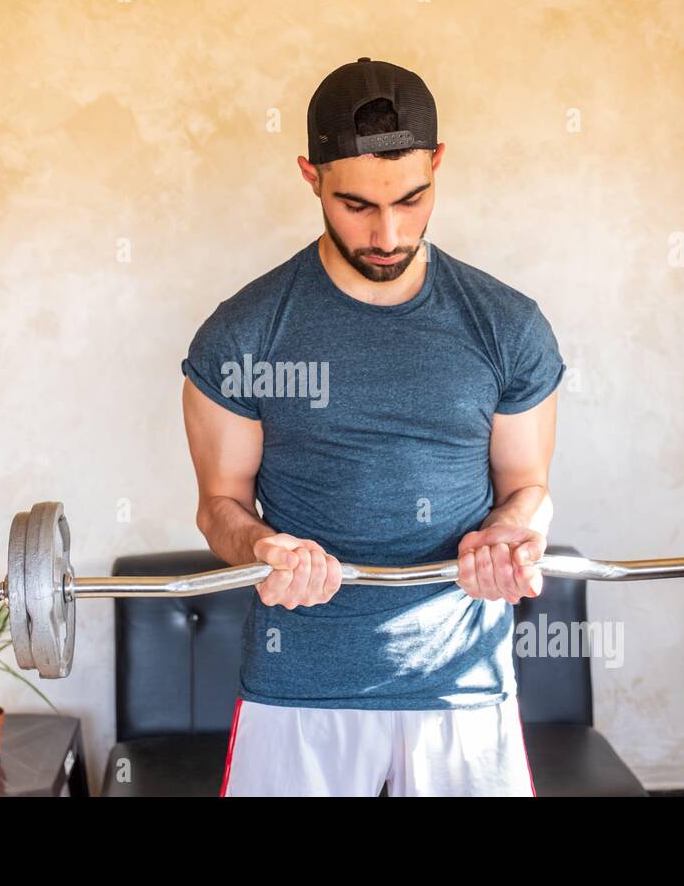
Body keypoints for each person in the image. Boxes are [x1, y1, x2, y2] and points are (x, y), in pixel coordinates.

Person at [180, 57, 566, 796]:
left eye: (413, 199)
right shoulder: (244, 333)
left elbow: (530, 486)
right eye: (356, 204)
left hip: (463, 685)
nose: (388, 232)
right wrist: (261, 544)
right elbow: (218, 504)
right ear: (310, 176)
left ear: (439, 166)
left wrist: (513, 529)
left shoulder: (507, 326)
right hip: (300, 689)